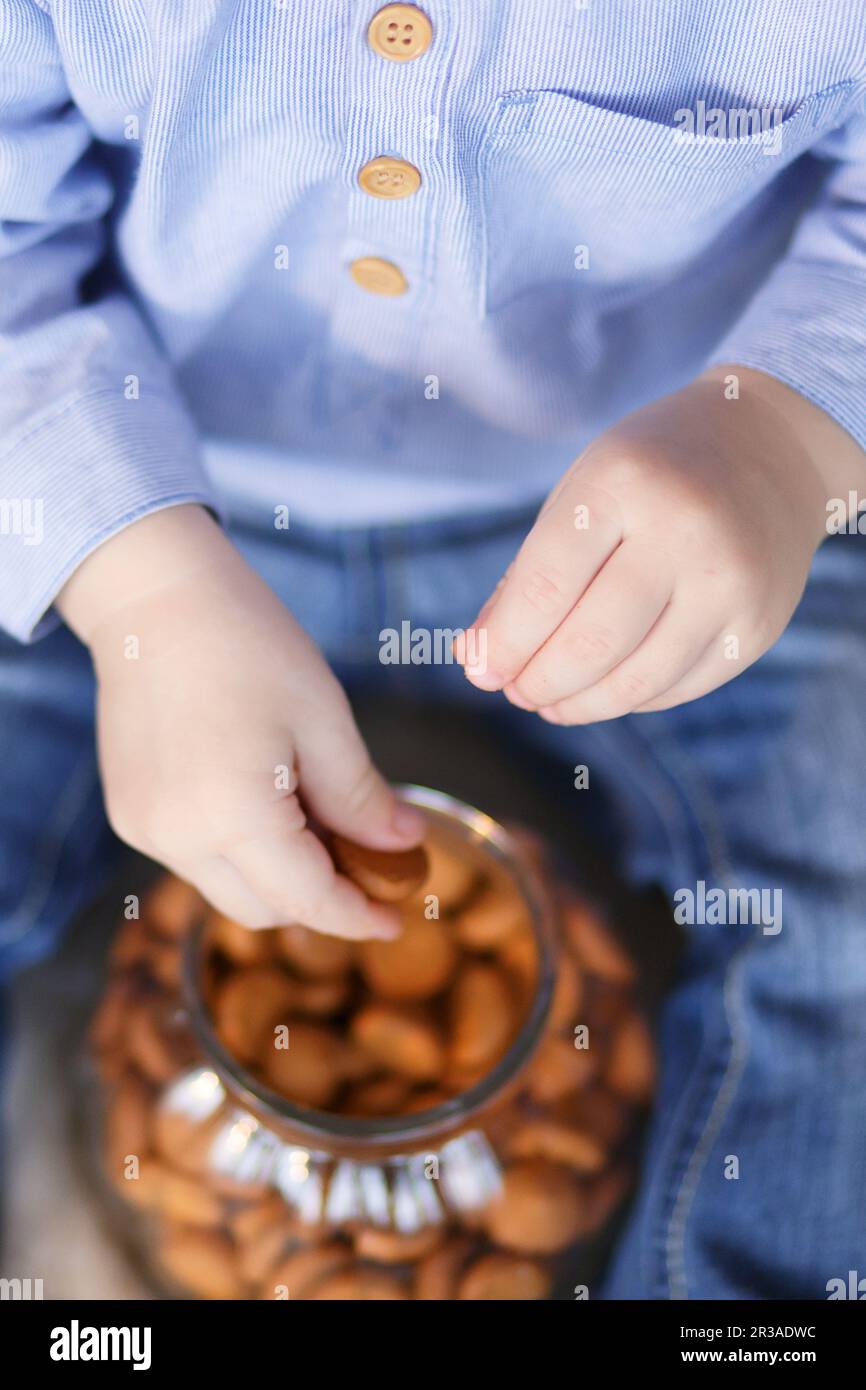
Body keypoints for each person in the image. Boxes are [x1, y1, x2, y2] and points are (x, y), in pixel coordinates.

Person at [1, 1, 865, 1299]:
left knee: (839, 937)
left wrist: (792, 433)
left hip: (679, 512)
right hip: (113, 504)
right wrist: (140, 589)